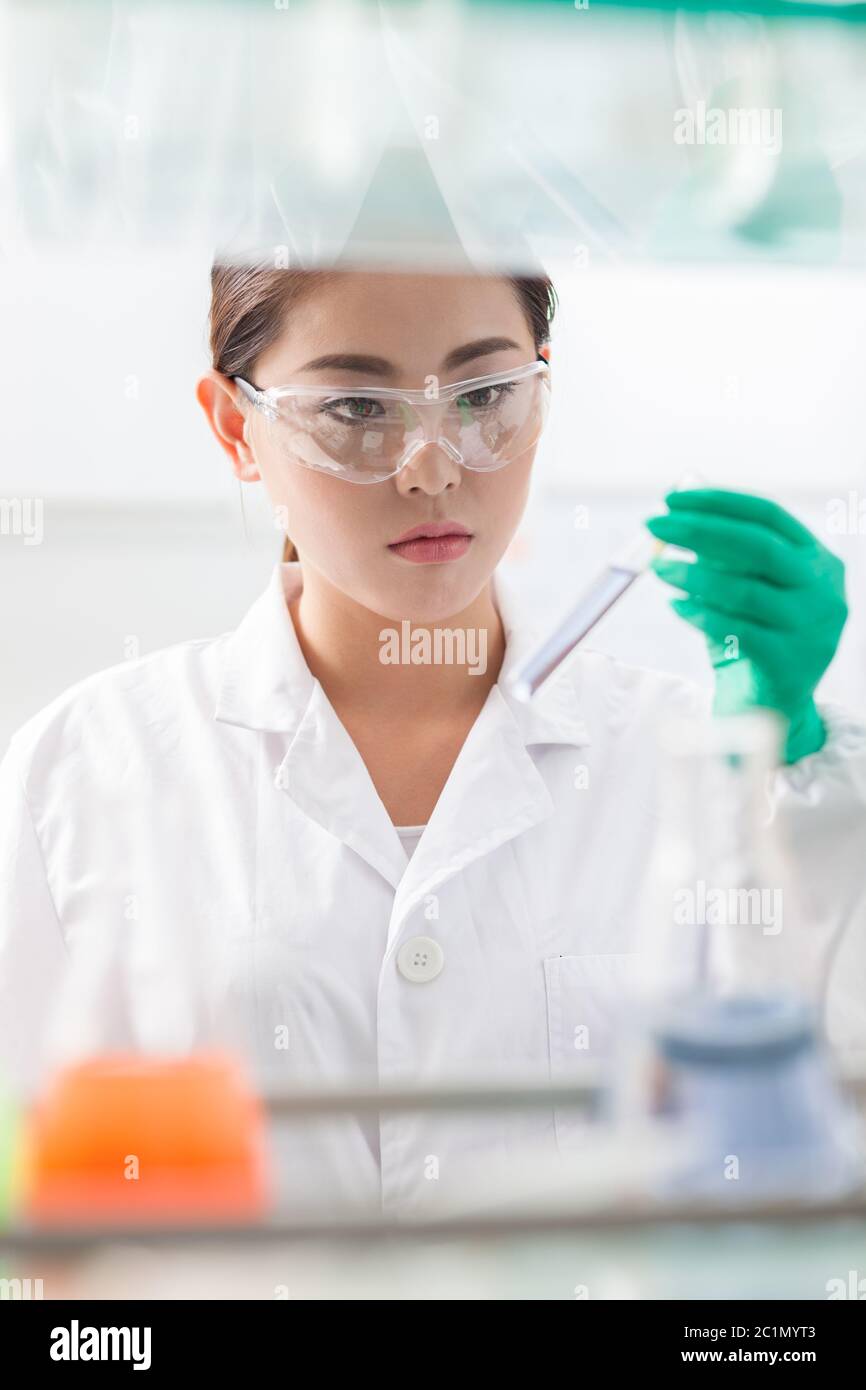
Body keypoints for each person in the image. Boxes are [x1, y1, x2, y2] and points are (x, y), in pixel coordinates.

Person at [1, 263, 864, 1216]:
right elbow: (39, 1226)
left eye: (486, 395)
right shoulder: (80, 774)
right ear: (235, 426)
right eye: (358, 407)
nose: (433, 465)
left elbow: (815, 1148)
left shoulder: (696, 761)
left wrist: (788, 770)